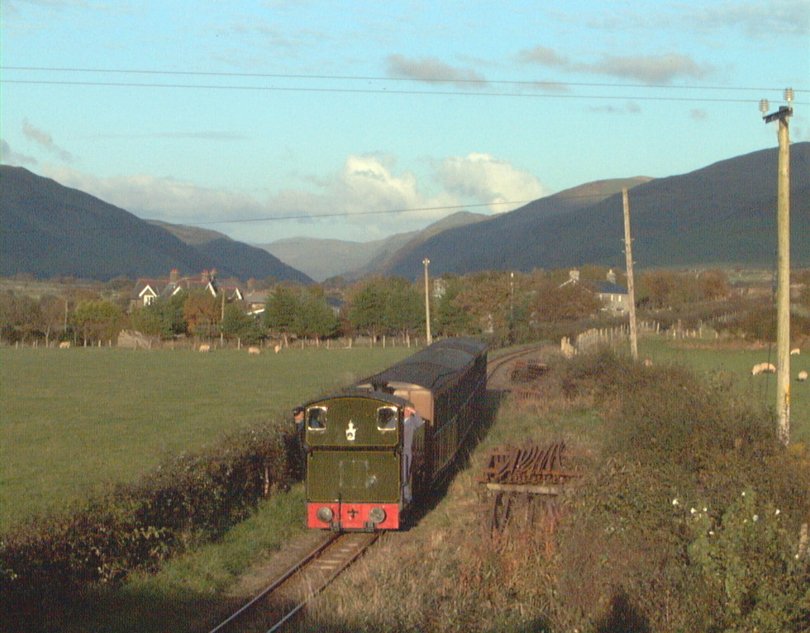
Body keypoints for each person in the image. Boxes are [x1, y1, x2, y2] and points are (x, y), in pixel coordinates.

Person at [401, 404, 424, 503]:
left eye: (407, 410)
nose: (406, 412)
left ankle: (406, 496)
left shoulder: (412, 422)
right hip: (396, 451)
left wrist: (415, 412)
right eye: (405, 410)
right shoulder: (396, 421)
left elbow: (420, 423)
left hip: (406, 452)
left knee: (405, 474)